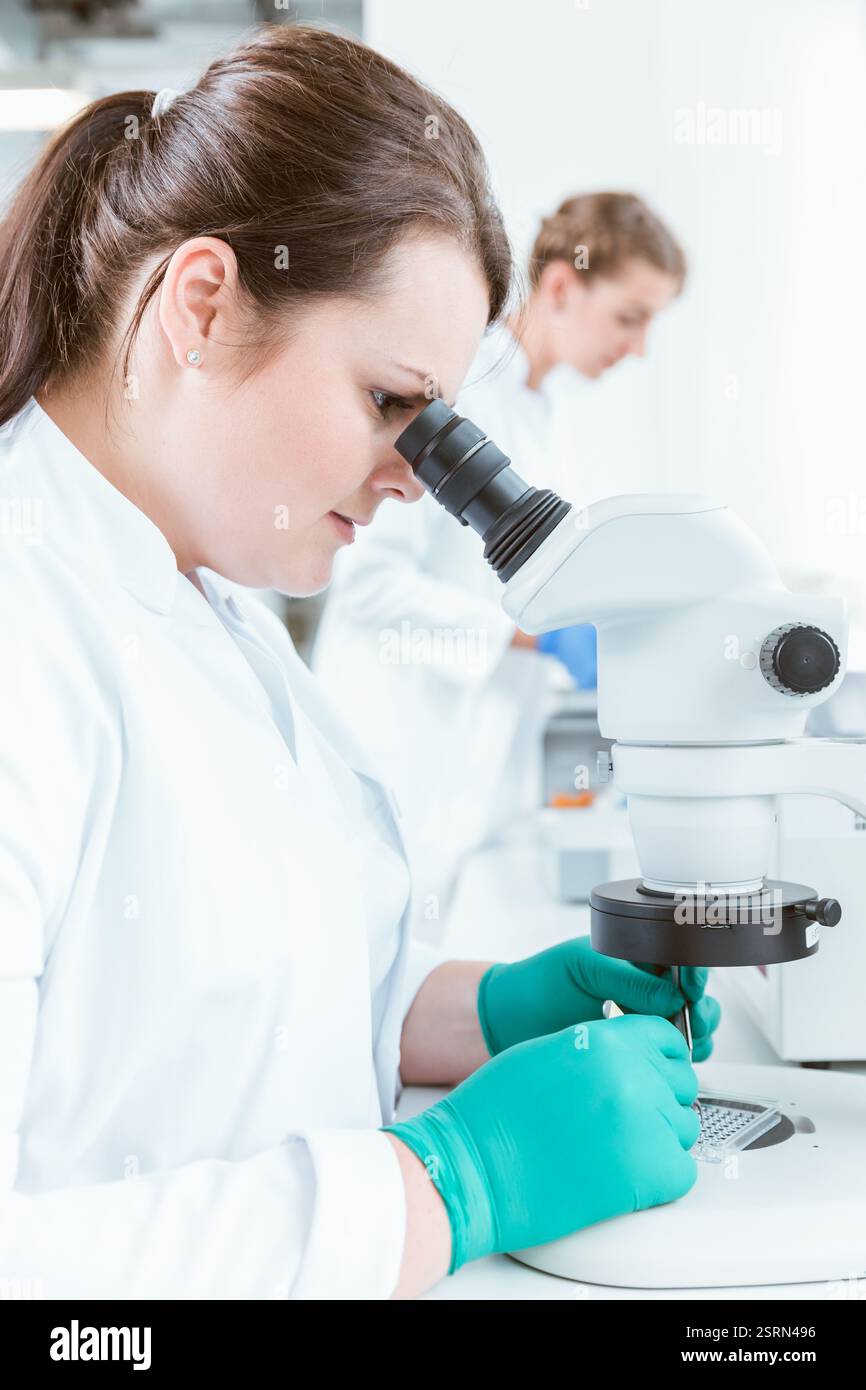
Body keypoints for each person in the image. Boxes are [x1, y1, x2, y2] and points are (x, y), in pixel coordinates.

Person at [0, 25, 718, 1301]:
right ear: (204, 303)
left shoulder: (210, 611)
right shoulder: (26, 633)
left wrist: (486, 1012)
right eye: (391, 402)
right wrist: (446, 1185)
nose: (413, 477)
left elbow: (231, 1021)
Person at [312, 193, 686, 932]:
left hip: (475, 768)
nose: (638, 346)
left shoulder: (553, 416)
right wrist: (535, 633)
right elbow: (368, 585)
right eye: (629, 316)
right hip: (399, 738)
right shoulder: (458, 390)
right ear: (559, 287)